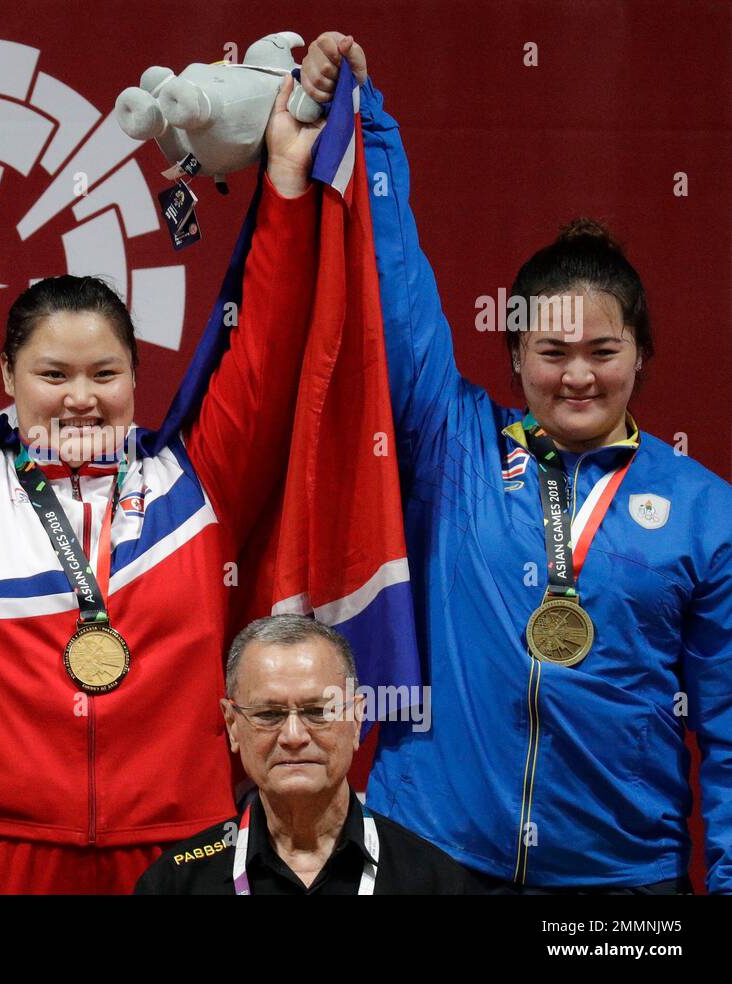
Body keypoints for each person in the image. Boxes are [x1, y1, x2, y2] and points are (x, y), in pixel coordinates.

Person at [0, 53, 323, 893]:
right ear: (5, 376)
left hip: (179, 844)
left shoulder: (196, 478)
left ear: (136, 380)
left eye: (105, 375)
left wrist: (288, 181)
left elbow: (265, 342)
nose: (81, 399)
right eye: (54, 375)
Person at [298, 33, 732, 892]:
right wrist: (367, 128)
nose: (578, 374)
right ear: (514, 356)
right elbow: (395, 287)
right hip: (433, 854)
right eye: (552, 349)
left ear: (641, 355)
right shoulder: (456, 445)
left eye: (604, 349)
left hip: (615, 880)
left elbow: (726, 725)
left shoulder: (703, 511)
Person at [134, 615, 475, 894]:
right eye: (269, 715)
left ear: (356, 720)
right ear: (233, 725)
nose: (293, 736)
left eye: (317, 711)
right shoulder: (175, 883)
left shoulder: (434, 882)